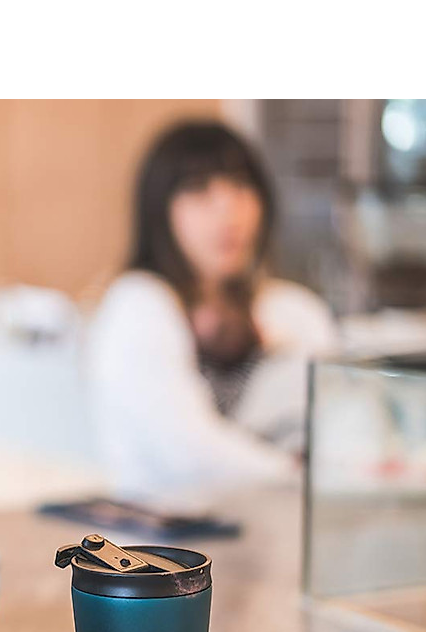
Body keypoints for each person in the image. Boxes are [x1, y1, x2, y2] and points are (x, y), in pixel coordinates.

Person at [87, 120, 337, 498]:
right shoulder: (137, 304)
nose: (228, 211)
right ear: (160, 211)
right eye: (199, 190)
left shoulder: (293, 308)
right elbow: (187, 453)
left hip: (283, 524)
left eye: (240, 186)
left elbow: (344, 431)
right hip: (165, 529)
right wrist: (301, 476)